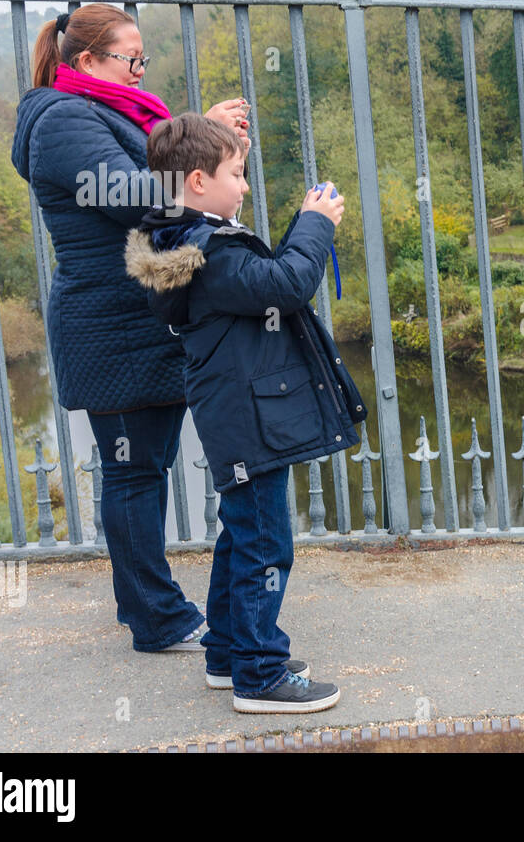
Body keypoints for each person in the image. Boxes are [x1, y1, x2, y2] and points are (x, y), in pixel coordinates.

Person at [11, 3, 250, 653]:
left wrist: (201, 131)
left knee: (145, 466)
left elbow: (150, 165)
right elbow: (134, 195)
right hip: (109, 326)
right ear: (86, 60)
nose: (141, 70)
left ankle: (149, 609)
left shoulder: (102, 111)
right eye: (131, 59)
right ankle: (156, 618)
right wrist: (210, 151)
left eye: (144, 59)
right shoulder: (62, 121)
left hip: (140, 319)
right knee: (134, 473)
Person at [125, 112, 366, 712]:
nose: (247, 185)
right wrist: (314, 225)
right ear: (199, 182)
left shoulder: (189, 238)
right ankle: (259, 675)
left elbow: (266, 279)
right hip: (249, 417)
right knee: (265, 543)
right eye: (238, 173)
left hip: (236, 409)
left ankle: (228, 653)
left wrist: (296, 222)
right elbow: (286, 283)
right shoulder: (212, 251)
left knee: (242, 533)